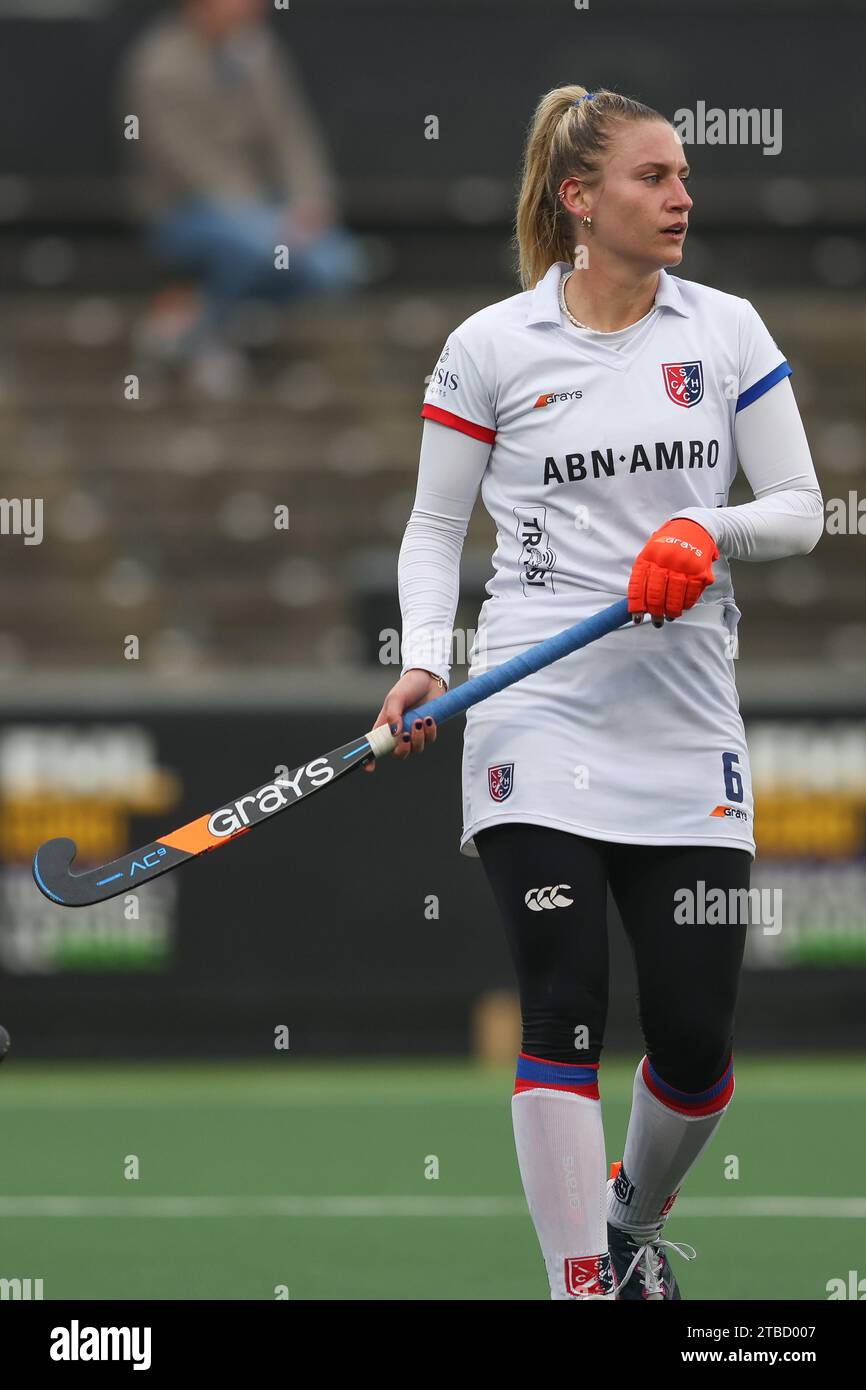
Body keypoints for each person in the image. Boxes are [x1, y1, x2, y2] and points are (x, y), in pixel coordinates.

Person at [365, 85, 823, 1300]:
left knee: (692, 1041)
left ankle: (627, 1221)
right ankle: (580, 1285)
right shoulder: (491, 347)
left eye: (682, 175)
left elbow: (800, 507)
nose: (681, 195)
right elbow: (433, 525)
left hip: (681, 721)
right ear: (579, 199)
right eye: (651, 177)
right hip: (535, 709)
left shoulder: (722, 328)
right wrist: (424, 654)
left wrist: (700, 530)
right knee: (562, 999)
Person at [120, 0, 366, 394]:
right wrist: (263, 217)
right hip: (183, 213)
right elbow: (182, 159)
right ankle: (207, 337)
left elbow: (290, 136)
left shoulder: (258, 54)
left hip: (265, 213)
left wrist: (309, 200)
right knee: (255, 247)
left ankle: (187, 321)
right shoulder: (159, 64)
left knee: (341, 265)